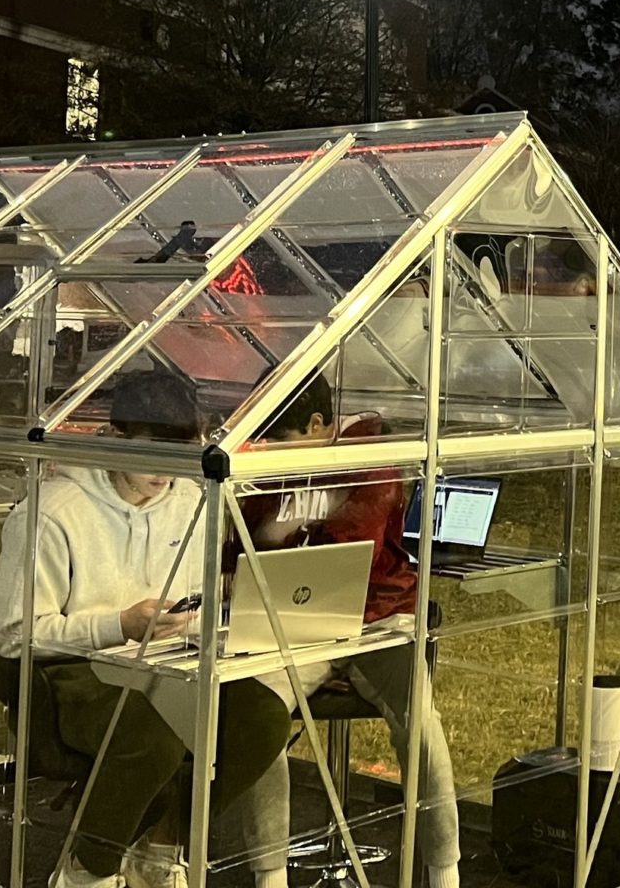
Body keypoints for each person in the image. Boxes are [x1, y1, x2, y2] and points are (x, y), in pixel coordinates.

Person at [0, 368, 292, 888]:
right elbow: (15, 634)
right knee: (150, 735)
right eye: (154, 453)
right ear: (116, 438)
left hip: (167, 657)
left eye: (180, 455)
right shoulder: (52, 513)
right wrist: (119, 624)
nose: (165, 472)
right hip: (72, 667)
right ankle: (89, 868)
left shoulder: (191, 501)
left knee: (262, 717)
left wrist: (220, 622)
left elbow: (194, 598)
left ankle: (162, 844)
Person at [232, 380, 462, 888]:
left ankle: (444, 869)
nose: (272, 454)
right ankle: (269, 874)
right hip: (294, 624)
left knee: (420, 721)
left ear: (318, 427)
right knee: (259, 717)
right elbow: (246, 541)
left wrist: (277, 539)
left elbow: (351, 548)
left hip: (379, 616)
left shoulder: (372, 463)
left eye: (282, 442)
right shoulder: (272, 466)